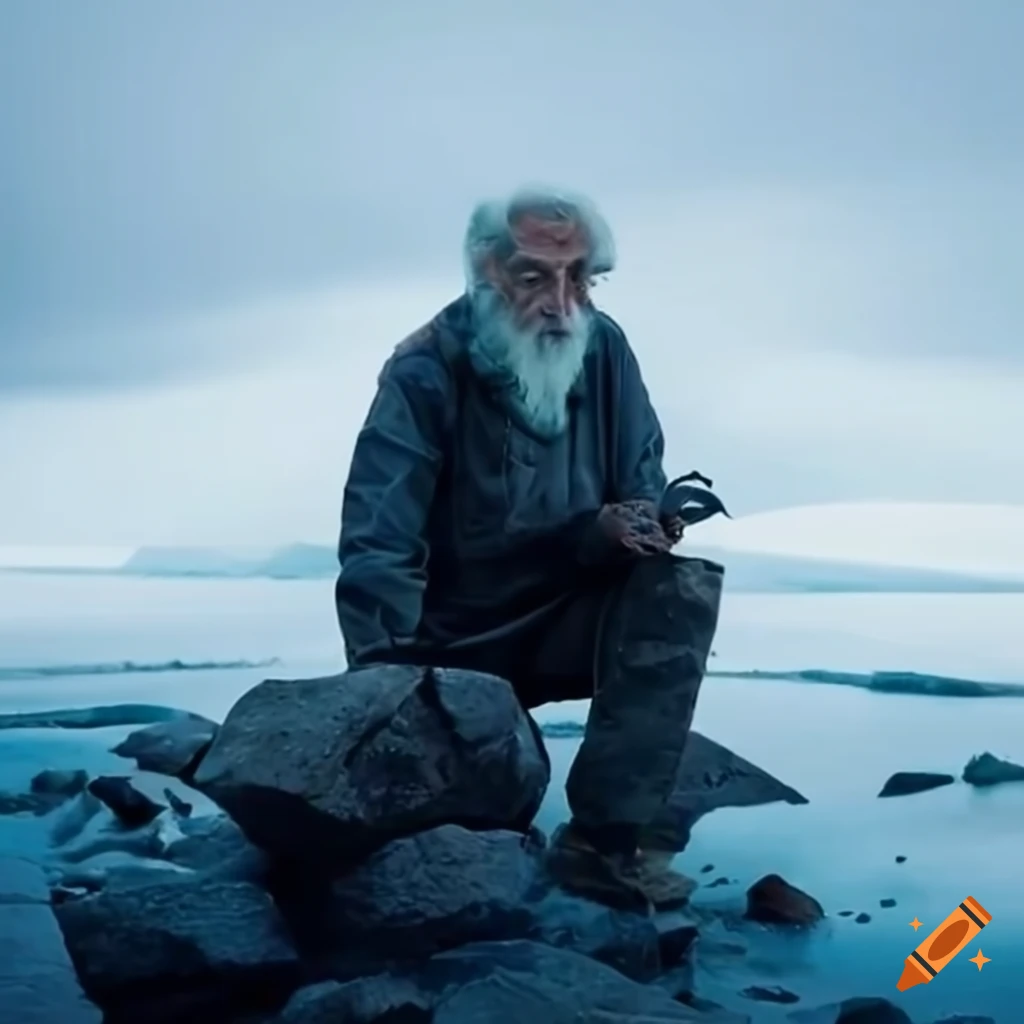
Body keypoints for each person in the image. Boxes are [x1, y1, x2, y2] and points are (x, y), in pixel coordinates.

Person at [335, 187, 724, 909]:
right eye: (535, 277)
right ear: (486, 270)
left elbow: (641, 479)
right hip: (452, 646)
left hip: (564, 622)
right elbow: (377, 538)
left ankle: (603, 843)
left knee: (678, 589)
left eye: (580, 277)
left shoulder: (605, 348)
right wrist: (380, 691)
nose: (562, 301)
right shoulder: (424, 367)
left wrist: (635, 526)